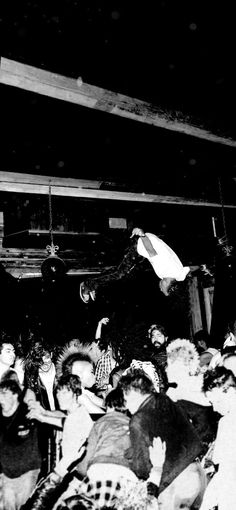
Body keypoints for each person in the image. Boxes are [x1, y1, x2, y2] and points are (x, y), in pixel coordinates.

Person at [119, 369, 202, 494]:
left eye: (125, 396)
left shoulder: (138, 420)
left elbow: (141, 467)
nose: (125, 404)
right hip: (195, 467)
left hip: (171, 484)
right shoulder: (163, 399)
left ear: (132, 393)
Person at [24, 374, 94, 510]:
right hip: (71, 475)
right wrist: (42, 416)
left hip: (74, 478)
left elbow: (73, 457)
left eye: (65, 392)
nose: (59, 396)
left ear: (76, 393)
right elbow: (65, 422)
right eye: (58, 391)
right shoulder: (76, 413)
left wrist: (55, 476)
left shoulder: (79, 418)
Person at [80, 227, 190, 303]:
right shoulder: (164, 268)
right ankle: (88, 284)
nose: (160, 290)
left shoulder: (180, 276)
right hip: (140, 245)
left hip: (150, 244)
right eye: (163, 290)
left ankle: (95, 283)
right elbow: (151, 251)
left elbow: (190, 269)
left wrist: (203, 268)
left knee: (127, 273)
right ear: (168, 286)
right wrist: (142, 235)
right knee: (119, 273)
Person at [0, 379, 42, 510]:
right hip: (7, 473)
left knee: (24, 506)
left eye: (4, 394)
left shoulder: (28, 414)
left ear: (15, 395)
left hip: (27, 472)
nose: (0, 398)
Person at [200, 366, 236, 510]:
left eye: (217, 401)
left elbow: (226, 475)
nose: (214, 409)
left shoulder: (228, 423)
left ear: (231, 392)